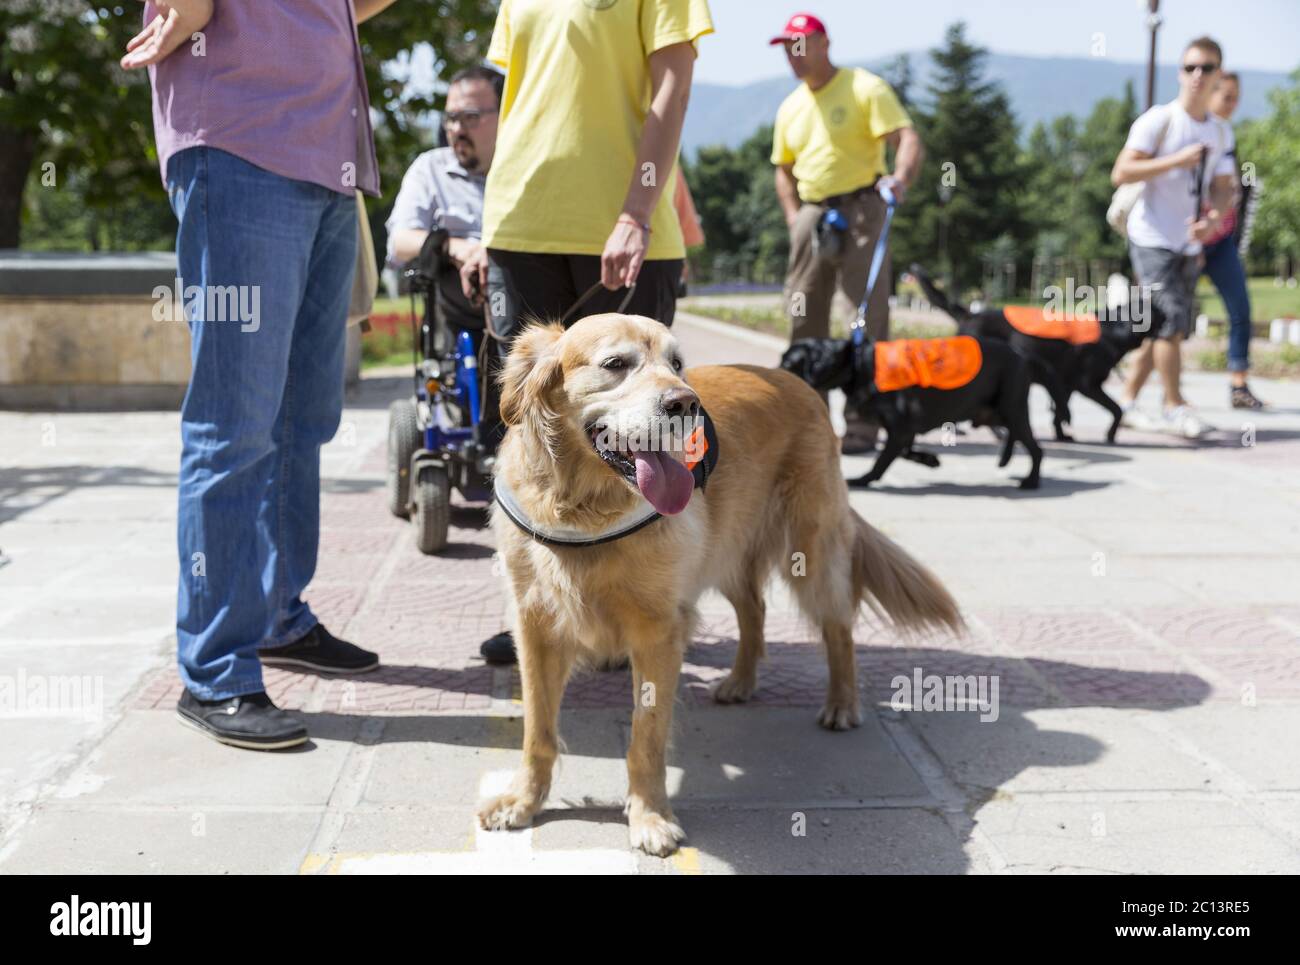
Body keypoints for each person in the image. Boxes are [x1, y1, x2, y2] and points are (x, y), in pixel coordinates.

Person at [124, 0, 396, 750]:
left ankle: (277, 613)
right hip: (242, 143)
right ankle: (215, 669)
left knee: (301, 418)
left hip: (328, 157)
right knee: (235, 421)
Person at [464, 0, 714, 667]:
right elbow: (522, 98)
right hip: (521, 222)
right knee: (523, 423)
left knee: (645, 423)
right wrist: (493, 220)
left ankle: (636, 604)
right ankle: (540, 604)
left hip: (622, 227)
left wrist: (637, 210)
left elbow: (674, 84)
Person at [768, 12, 923, 454]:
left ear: (823, 43)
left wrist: (901, 179)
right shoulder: (791, 106)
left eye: (799, 45)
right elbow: (783, 169)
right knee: (803, 315)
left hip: (861, 210)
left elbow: (907, 137)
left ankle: (863, 423)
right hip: (813, 216)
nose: (792, 56)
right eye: (786, 48)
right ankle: (809, 423)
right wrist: (794, 216)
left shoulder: (863, 87)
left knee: (867, 317)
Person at [1111, 36, 1237, 438]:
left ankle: (1126, 401)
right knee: (1171, 325)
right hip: (1151, 237)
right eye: (1190, 67)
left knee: (1160, 326)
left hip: (1188, 241)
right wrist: (1175, 161)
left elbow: (1224, 186)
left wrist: (1213, 220)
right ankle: (1174, 405)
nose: (1198, 75)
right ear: (1180, 72)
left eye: (1207, 67)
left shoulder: (1220, 132)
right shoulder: (1158, 121)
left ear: (1218, 73)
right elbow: (1122, 172)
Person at [385, 66, 502, 271]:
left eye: (470, 116)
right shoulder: (430, 169)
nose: (457, 129)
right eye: (451, 118)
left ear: (505, 115)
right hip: (458, 291)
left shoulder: (533, 172)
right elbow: (400, 241)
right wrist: (456, 248)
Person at [1202, 71, 1265, 409]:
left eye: (1237, 97)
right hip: (1193, 239)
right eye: (1227, 96)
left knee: (1240, 311)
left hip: (1222, 240)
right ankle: (1132, 394)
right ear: (1210, 95)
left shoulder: (1227, 134)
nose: (1233, 103)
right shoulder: (1200, 132)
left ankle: (1238, 385)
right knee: (1167, 319)